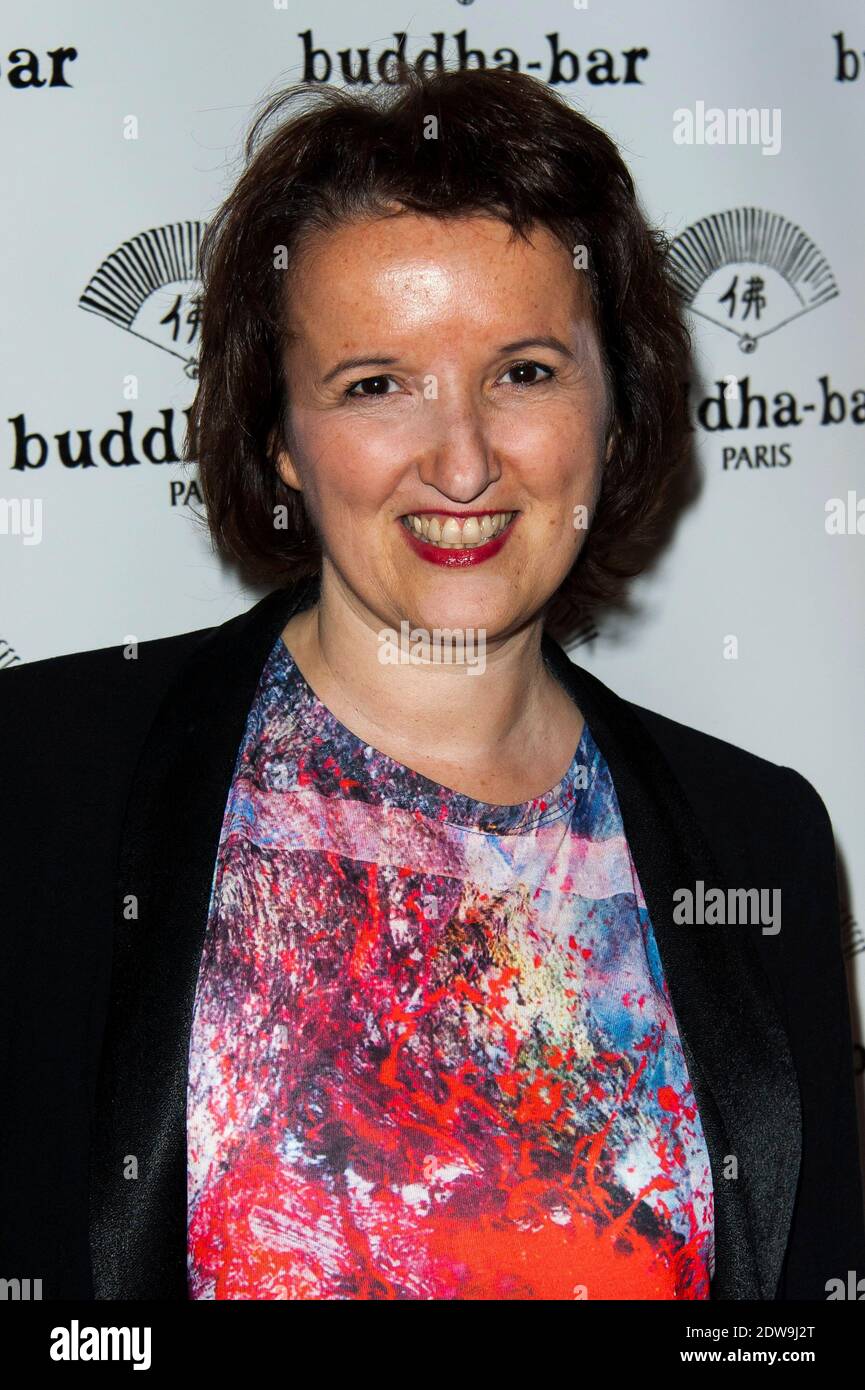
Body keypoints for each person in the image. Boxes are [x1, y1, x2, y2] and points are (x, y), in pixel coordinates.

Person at [1, 64, 862, 1303]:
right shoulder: (42, 782)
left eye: (524, 371)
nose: (462, 462)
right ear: (275, 440)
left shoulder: (758, 834)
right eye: (375, 385)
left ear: (615, 413)